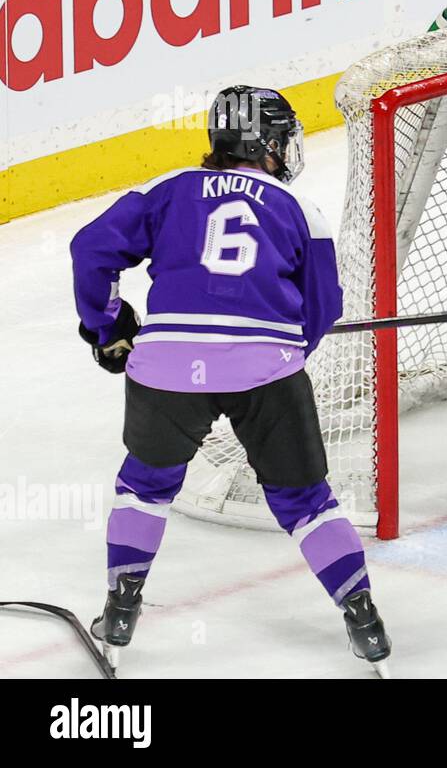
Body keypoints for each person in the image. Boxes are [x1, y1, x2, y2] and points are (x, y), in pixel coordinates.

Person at [70, 86, 391, 675]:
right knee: (305, 502)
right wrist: (275, 352)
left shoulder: (167, 190)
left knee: (145, 486)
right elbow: (321, 310)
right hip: (263, 371)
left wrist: (107, 324)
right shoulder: (302, 212)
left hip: (166, 365)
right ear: (269, 145)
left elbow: (91, 248)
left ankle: (120, 609)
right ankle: (363, 618)